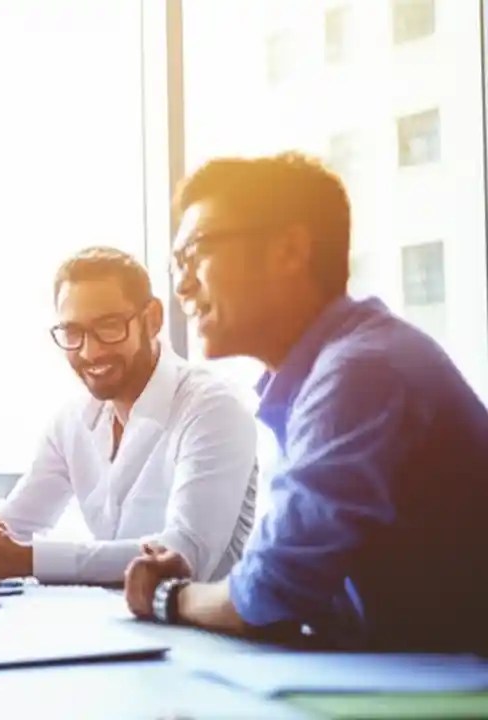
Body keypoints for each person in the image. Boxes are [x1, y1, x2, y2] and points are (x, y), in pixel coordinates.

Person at [124, 152, 488, 653]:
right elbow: (294, 581)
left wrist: (170, 596)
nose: (183, 284)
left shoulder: (362, 371)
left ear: (290, 251)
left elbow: (268, 597)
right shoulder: (330, 371)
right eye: (176, 265)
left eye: (196, 253)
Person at [0, 248, 258, 586]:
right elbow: (10, 530)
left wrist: (26, 560)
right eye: (73, 332)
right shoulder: (72, 423)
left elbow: (184, 554)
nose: (90, 351)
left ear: (152, 319)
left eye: (109, 326)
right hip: (115, 618)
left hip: (201, 623)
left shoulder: (212, 408)